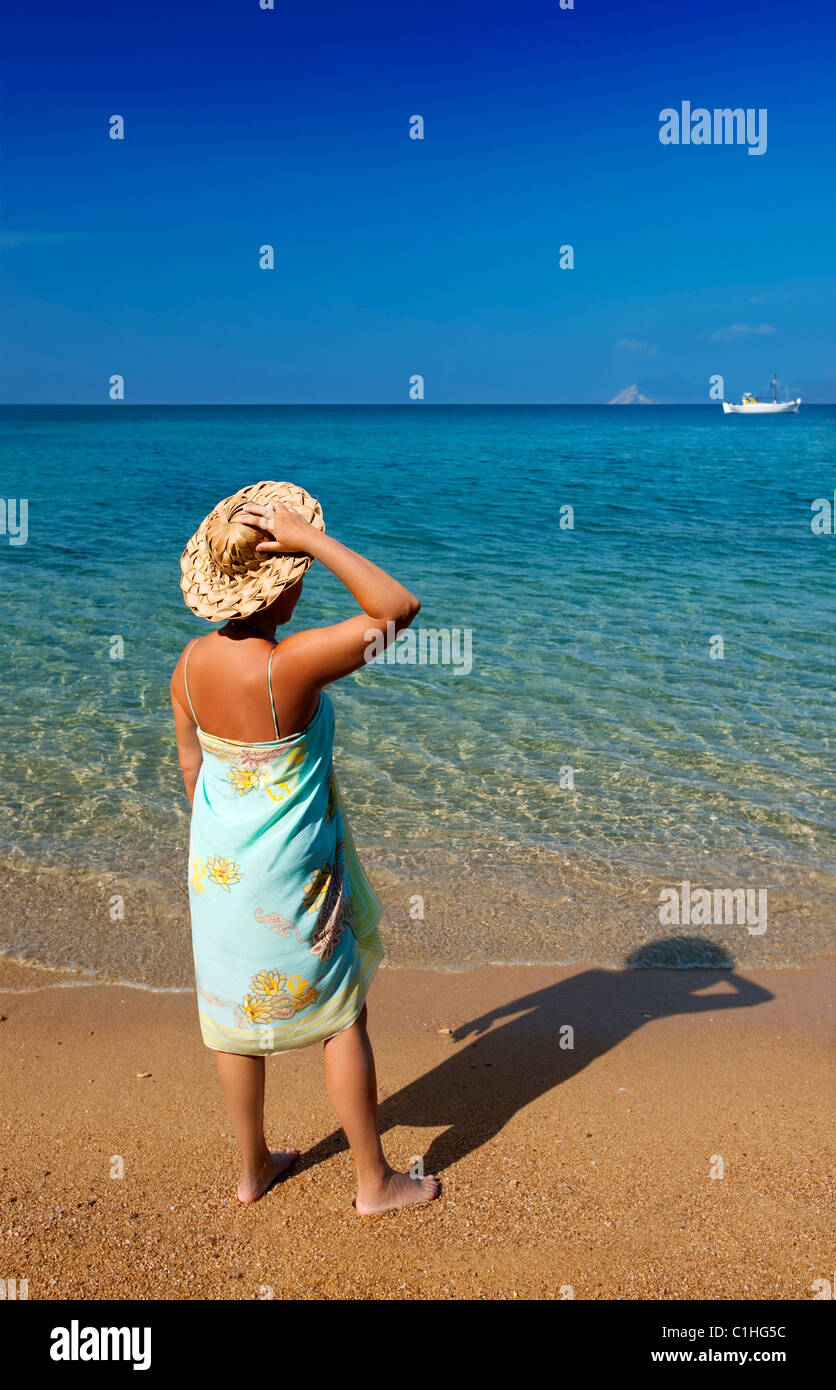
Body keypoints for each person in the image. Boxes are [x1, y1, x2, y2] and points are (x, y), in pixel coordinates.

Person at [171, 480, 439, 1215]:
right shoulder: (288, 666)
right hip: (292, 873)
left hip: (218, 872)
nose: (306, 581)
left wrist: (224, 843)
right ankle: (374, 1183)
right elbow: (397, 610)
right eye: (297, 572)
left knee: (234, 1022)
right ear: (277, 588)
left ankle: (254, 1168)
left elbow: (194, 769)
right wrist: (313, 537)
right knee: (340, 1016)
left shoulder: (190, 665)